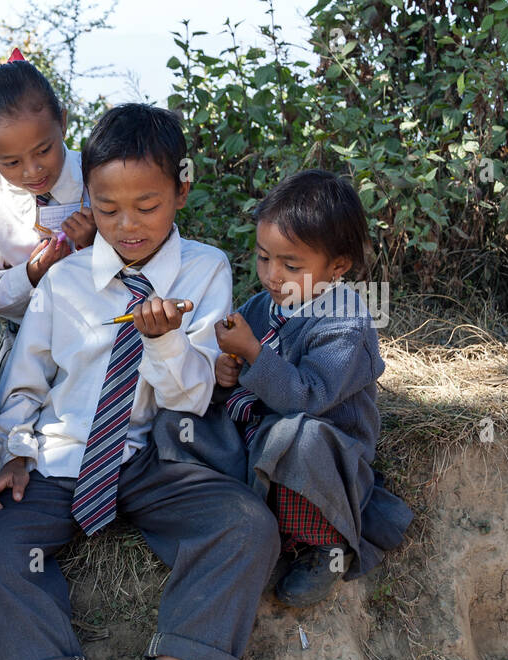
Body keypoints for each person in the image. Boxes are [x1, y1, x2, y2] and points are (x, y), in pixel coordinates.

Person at [0, 104, 280, 660]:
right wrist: (12, 449)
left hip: (156, 456)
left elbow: (193, 393)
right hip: (62, 459)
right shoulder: (66, 281)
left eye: (147, 204)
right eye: (106, 207)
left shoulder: (204, 269)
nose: (127, 223)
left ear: (180, 191)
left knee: (246, 529)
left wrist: (168, 343)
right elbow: (20, 383)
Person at [152, 169, 413, 606]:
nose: (273, 275)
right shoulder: (263, 304)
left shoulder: (344, 321)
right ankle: (241, 520)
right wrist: (225, 369)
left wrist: (254, 354)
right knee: (177, 423)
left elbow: (305, 398)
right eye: (263, 257)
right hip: (256, 439)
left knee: (296, 436)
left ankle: (322, 541)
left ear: (338, 265)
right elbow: (237, 370)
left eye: (291, 265)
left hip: (319, 456)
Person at [0, 48, 96, 401]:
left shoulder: (98, 177)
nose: (33, 171)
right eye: (11, 162)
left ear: (63, 122)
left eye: (44, 150)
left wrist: (96, 243)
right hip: (25, 337)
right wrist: (30, 275)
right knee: (11, 422)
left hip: (104, 329)